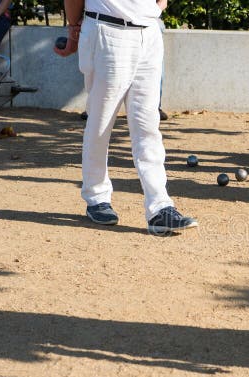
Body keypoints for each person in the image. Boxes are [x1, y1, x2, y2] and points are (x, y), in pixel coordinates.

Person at [54, 0, 197, 235]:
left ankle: (160, 205)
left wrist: (156, 8)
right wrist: (74, 29)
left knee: (148, 125)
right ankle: (96, 197)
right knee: (101, 120)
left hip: (148, 31)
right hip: (107, 31)